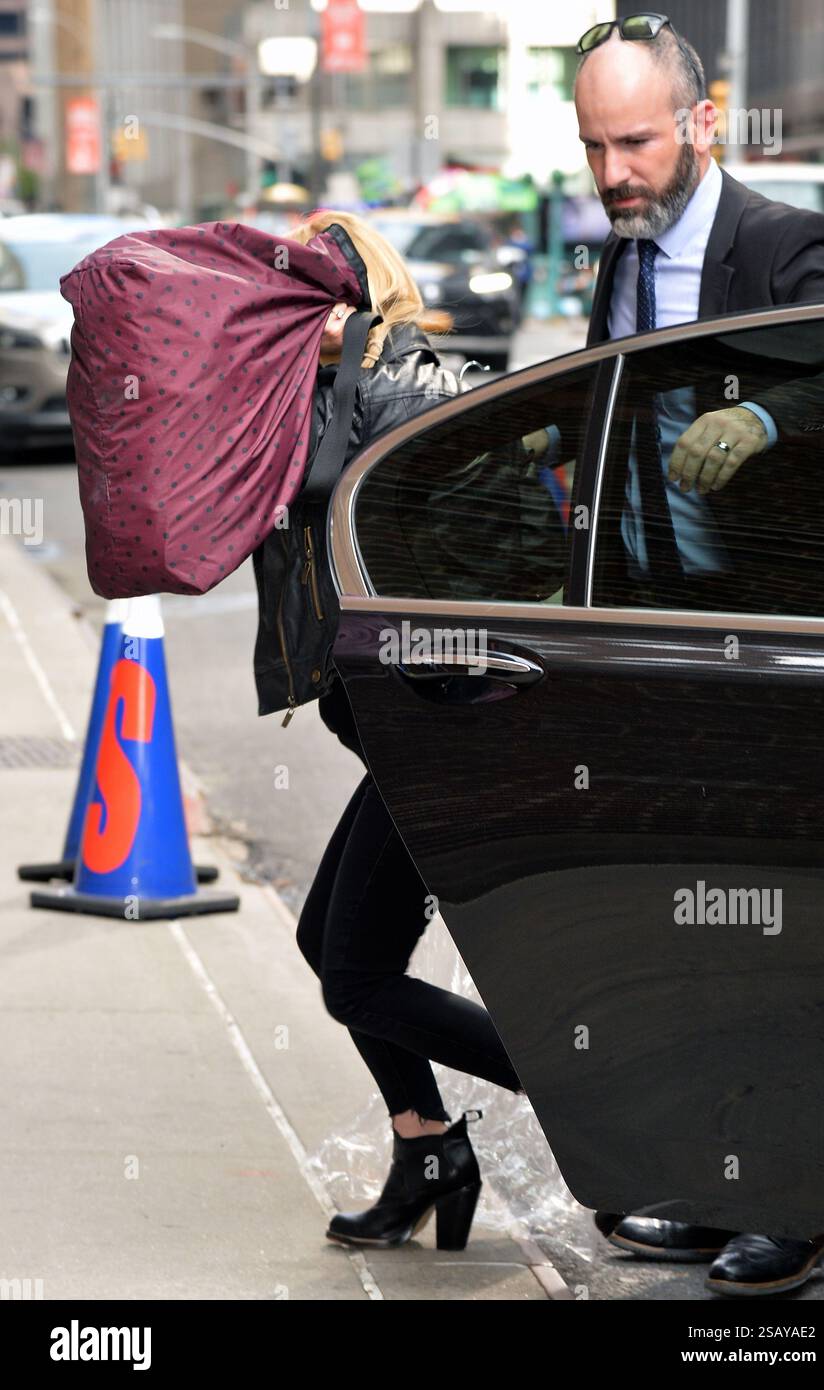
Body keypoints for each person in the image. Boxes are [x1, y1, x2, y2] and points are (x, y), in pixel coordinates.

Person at [573, 13, 824, 1296]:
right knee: (689, 932)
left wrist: (762, 413)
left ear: (701, 121)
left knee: (783, 938)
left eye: (631, 141)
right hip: (658, 643)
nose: (610, 172)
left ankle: (801, 1210)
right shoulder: (619, 257)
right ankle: (715, 1178)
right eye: (590, 147)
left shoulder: (777, 239)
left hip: (772, 644)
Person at [251, 210, 534, 1252]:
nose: (294, 296)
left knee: (354, 970)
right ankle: (427, 1148)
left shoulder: (405, 377)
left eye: (315, 276)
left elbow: (460, 547)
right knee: (325, 943)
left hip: (441, 732)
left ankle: (573, 1080)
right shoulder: (315, 389)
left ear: (363, 284)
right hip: (395, 731)